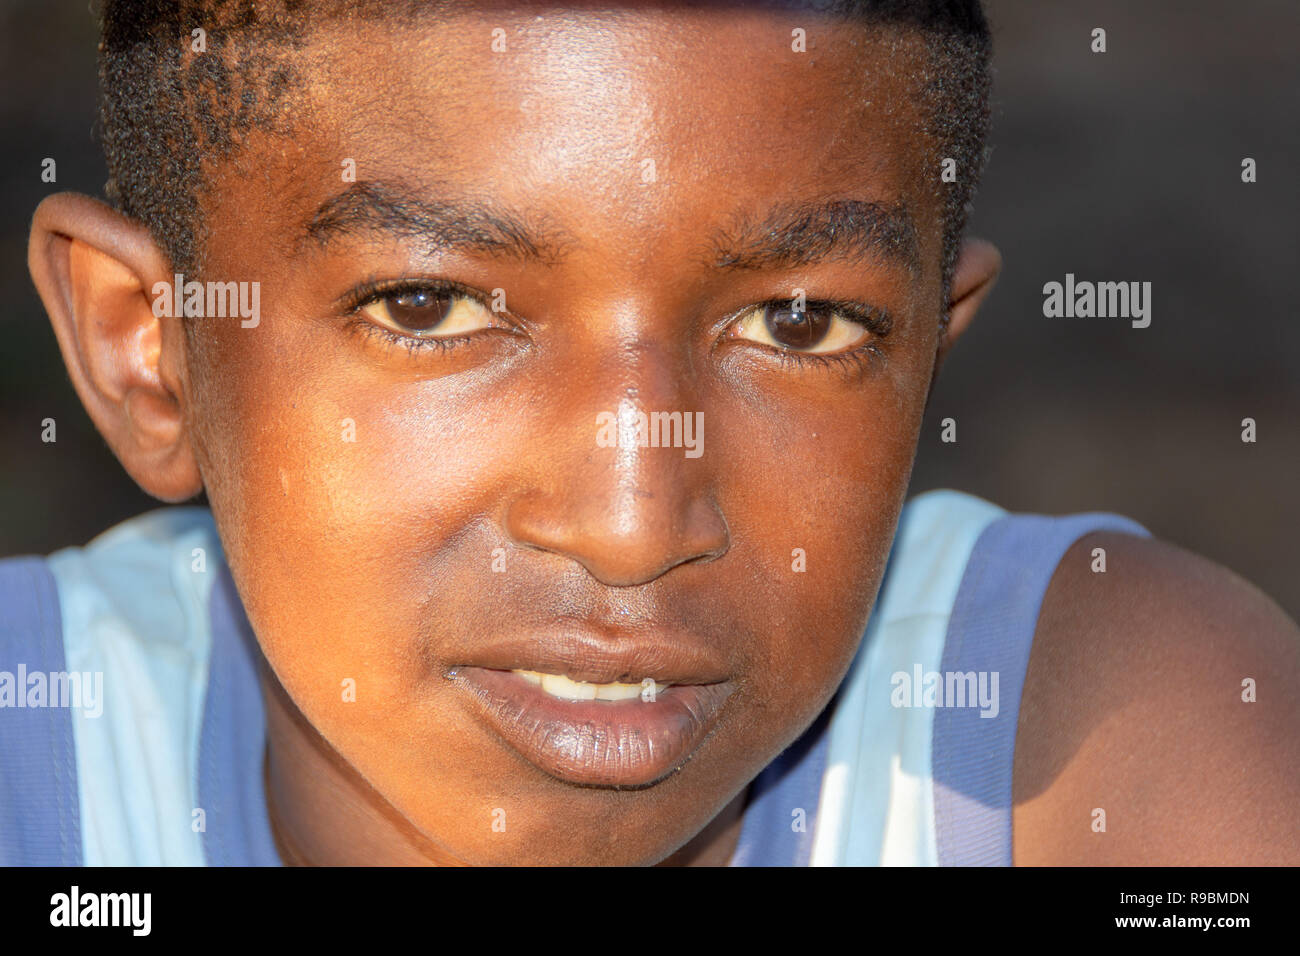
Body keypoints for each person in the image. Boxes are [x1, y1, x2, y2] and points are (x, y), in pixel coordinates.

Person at [2, 0, 1296, 866]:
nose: (632, 526)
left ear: (928, 350)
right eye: (430, 305)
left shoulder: (1104, 753)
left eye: (800, 326)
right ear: (149, 356)